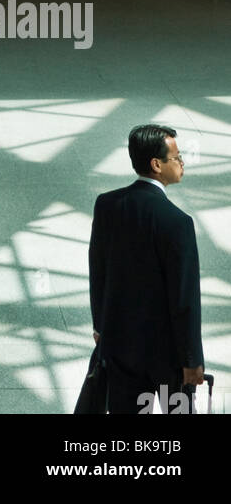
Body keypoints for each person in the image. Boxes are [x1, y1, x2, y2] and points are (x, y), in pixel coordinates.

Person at [88, 123, 204, 414]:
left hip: (119, 350)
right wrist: (192, 360)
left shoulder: (107, 205)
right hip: (168, 358)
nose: (182, 162)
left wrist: (101, 327)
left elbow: (98, 270)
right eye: (176, 157)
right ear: (156, 164)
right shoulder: (178, 222)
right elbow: (184, 299)